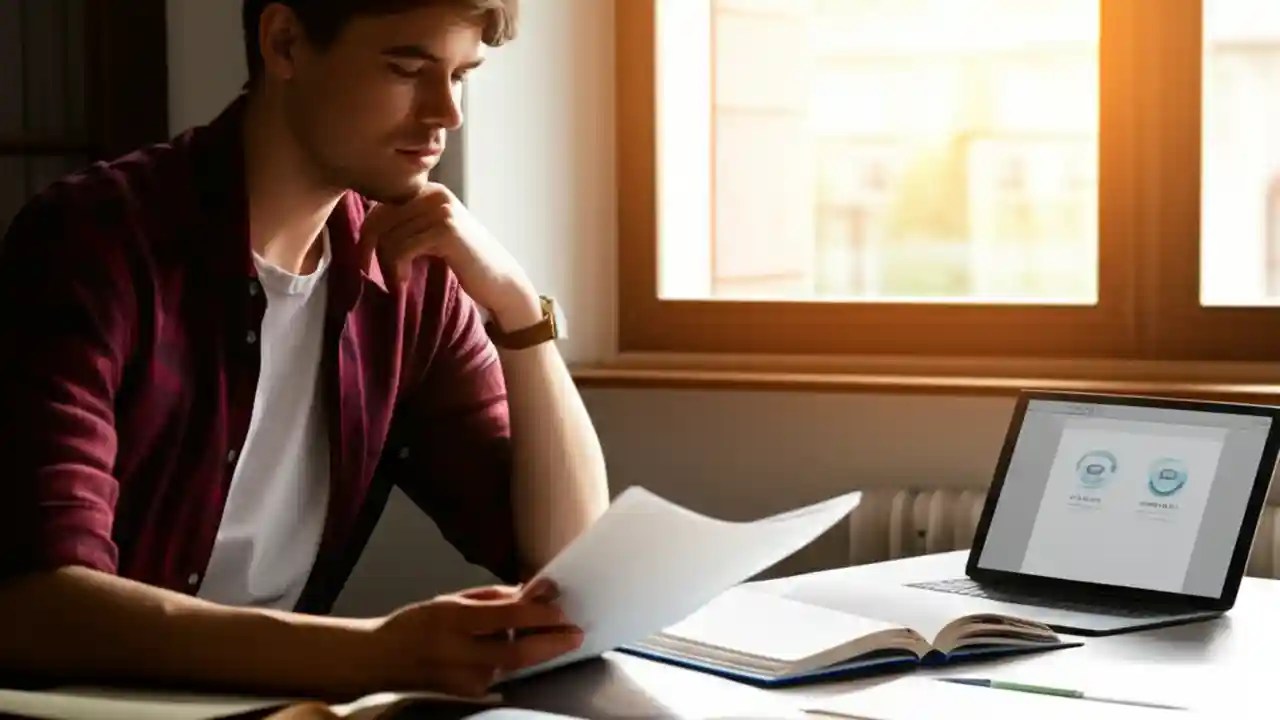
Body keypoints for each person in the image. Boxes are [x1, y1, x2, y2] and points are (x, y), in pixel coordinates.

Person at [0, 0, 609, 699]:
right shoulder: (96, 242)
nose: (447, 113)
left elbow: (567, 567)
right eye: (408, 69)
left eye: (462, 75)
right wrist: (376, 654)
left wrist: (520, 311)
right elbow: (37, 603)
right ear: (285, 43)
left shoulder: (409, 282)